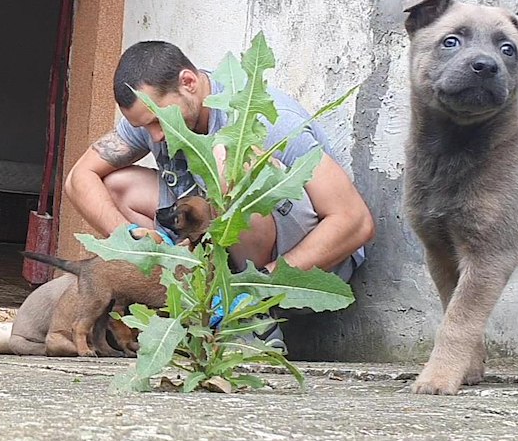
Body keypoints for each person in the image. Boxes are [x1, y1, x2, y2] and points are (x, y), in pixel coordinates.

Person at [64, 40, 375, 289]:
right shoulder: (151, 119)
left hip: (300, 269)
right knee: (117, 187)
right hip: (216, 250)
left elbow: (354, 221)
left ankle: (253, 321)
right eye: (145, 127)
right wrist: (131, 236)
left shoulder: (263, 119)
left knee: (230, 163)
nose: (155, 137)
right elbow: (79, 178)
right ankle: (187, 295)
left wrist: (259, 285)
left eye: (159, 122)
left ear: (188, 82)